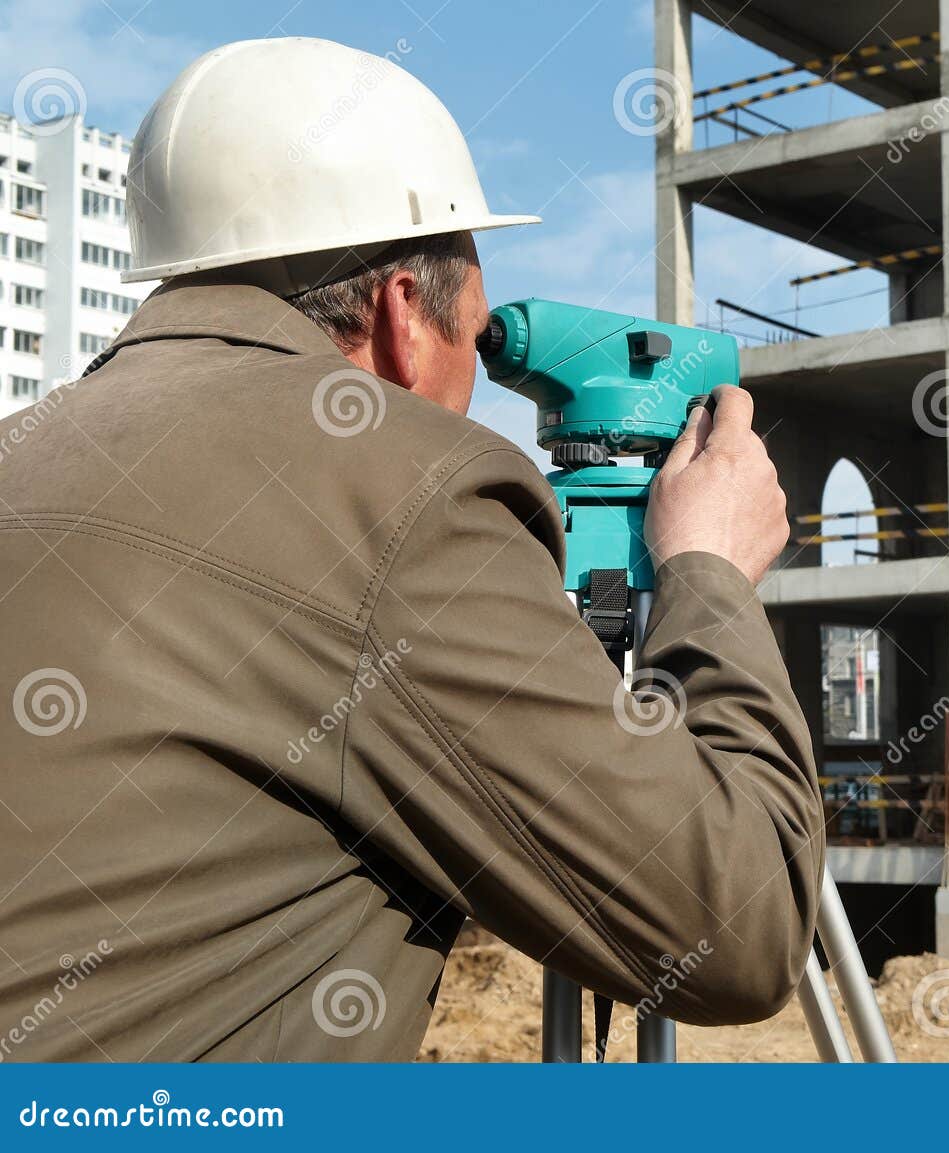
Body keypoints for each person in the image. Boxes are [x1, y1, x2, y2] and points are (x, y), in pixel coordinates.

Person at [0, 38, 821, 1061]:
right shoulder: (405, 495)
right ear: (399, 310)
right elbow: (735, 924)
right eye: (474, 336)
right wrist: (707, 570)